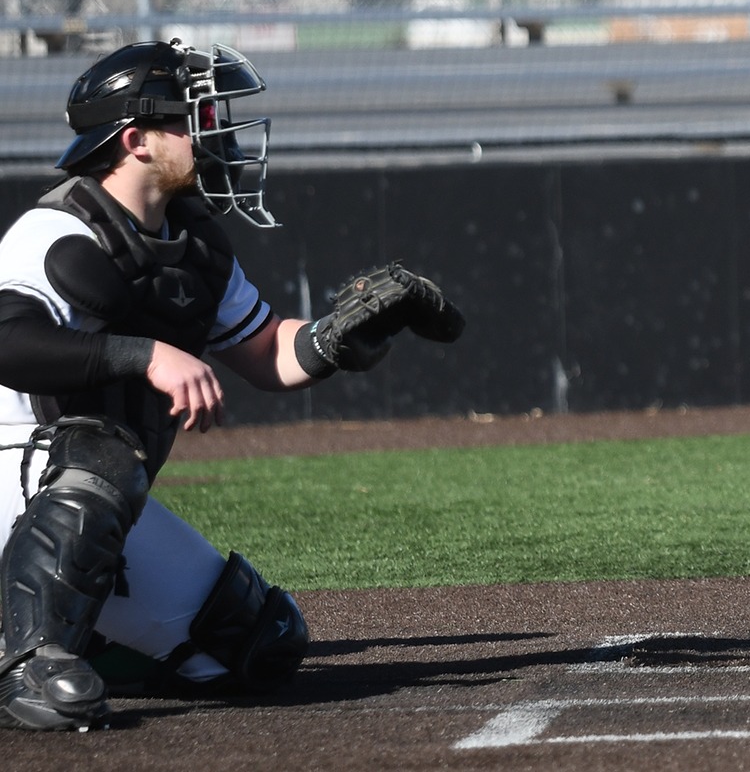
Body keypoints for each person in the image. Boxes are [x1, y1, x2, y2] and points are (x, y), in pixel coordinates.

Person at [0, 38, 465, 731]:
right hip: (20, 480)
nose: (218, 132)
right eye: (196, 118)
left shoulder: (193, 245)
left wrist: (338, 336)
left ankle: (87, 639)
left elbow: (266, 353)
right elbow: (7, 342)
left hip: (88, 501)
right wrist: (145, 354)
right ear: (134, 140)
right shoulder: (55, 231)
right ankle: (28, 660)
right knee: (101, 451)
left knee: (255, 647)